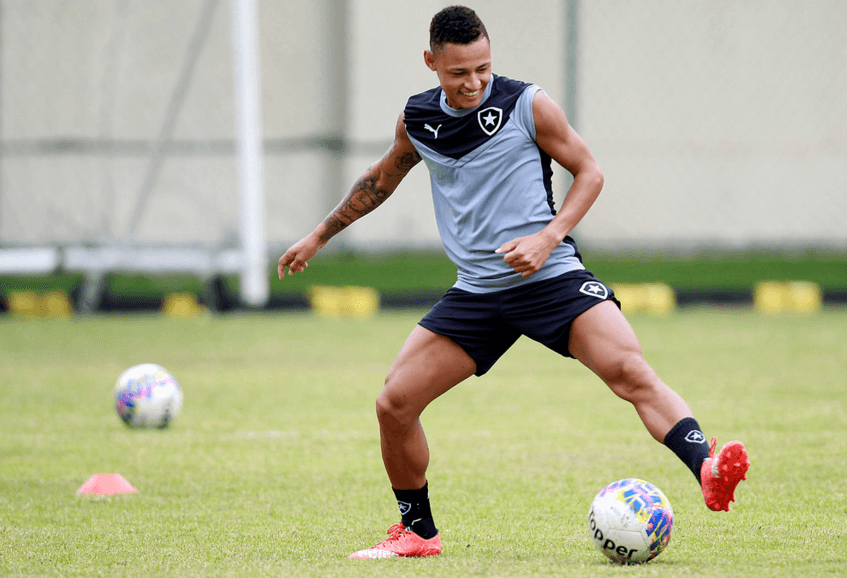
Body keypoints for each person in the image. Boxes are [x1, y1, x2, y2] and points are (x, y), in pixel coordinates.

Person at [277, 5, 750, 559]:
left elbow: (590, 172)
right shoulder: (417, 119)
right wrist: (319, 236)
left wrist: (548, 237)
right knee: (394, 404)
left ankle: (706, 466)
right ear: (431, 62)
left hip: (550, 278)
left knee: (630, 371)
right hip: (478, 292)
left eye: (483, 68)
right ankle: (417, 532)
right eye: (458, 72)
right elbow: (380, 179)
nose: (473, 82)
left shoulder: (527, 104)